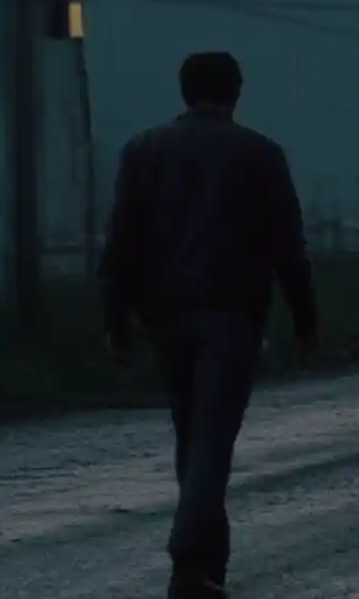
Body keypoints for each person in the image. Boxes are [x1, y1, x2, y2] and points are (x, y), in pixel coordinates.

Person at [98, 52, 318, 599]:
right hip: (230, 318)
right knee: (213, 441)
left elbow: (121, 243)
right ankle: (189, 562)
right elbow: (288, 247)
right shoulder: (260, 154)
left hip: (165, 319)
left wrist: (117, 323)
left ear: (183, 90)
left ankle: (205, 566)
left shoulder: (144, 151)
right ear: (237, 91)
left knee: (192, 437)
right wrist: (306, 321)